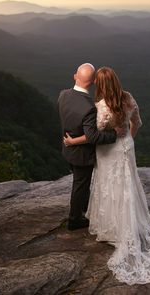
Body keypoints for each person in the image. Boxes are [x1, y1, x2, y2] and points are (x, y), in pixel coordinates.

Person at [64, 66, 150, 285]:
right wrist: (127, 140)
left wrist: (73, 141)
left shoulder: (101, 106)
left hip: (108, 151)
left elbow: (94, 135)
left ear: (100, 85)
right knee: (127, 185)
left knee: (108, 186)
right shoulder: (129, 98)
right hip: (126, 148)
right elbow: (136, 122)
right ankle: (129, 222)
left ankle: (112, 226)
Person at [57, 62, 117, 231]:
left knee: (79, 183)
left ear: (75, 76)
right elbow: (92, 136)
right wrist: (114, 135)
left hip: (68, 149)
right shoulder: (89, 107)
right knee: (80, 186)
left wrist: (71, 140)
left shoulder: (63, 95)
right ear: (91, 83)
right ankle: (74, 219)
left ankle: (84, 208)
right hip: (82, 154)